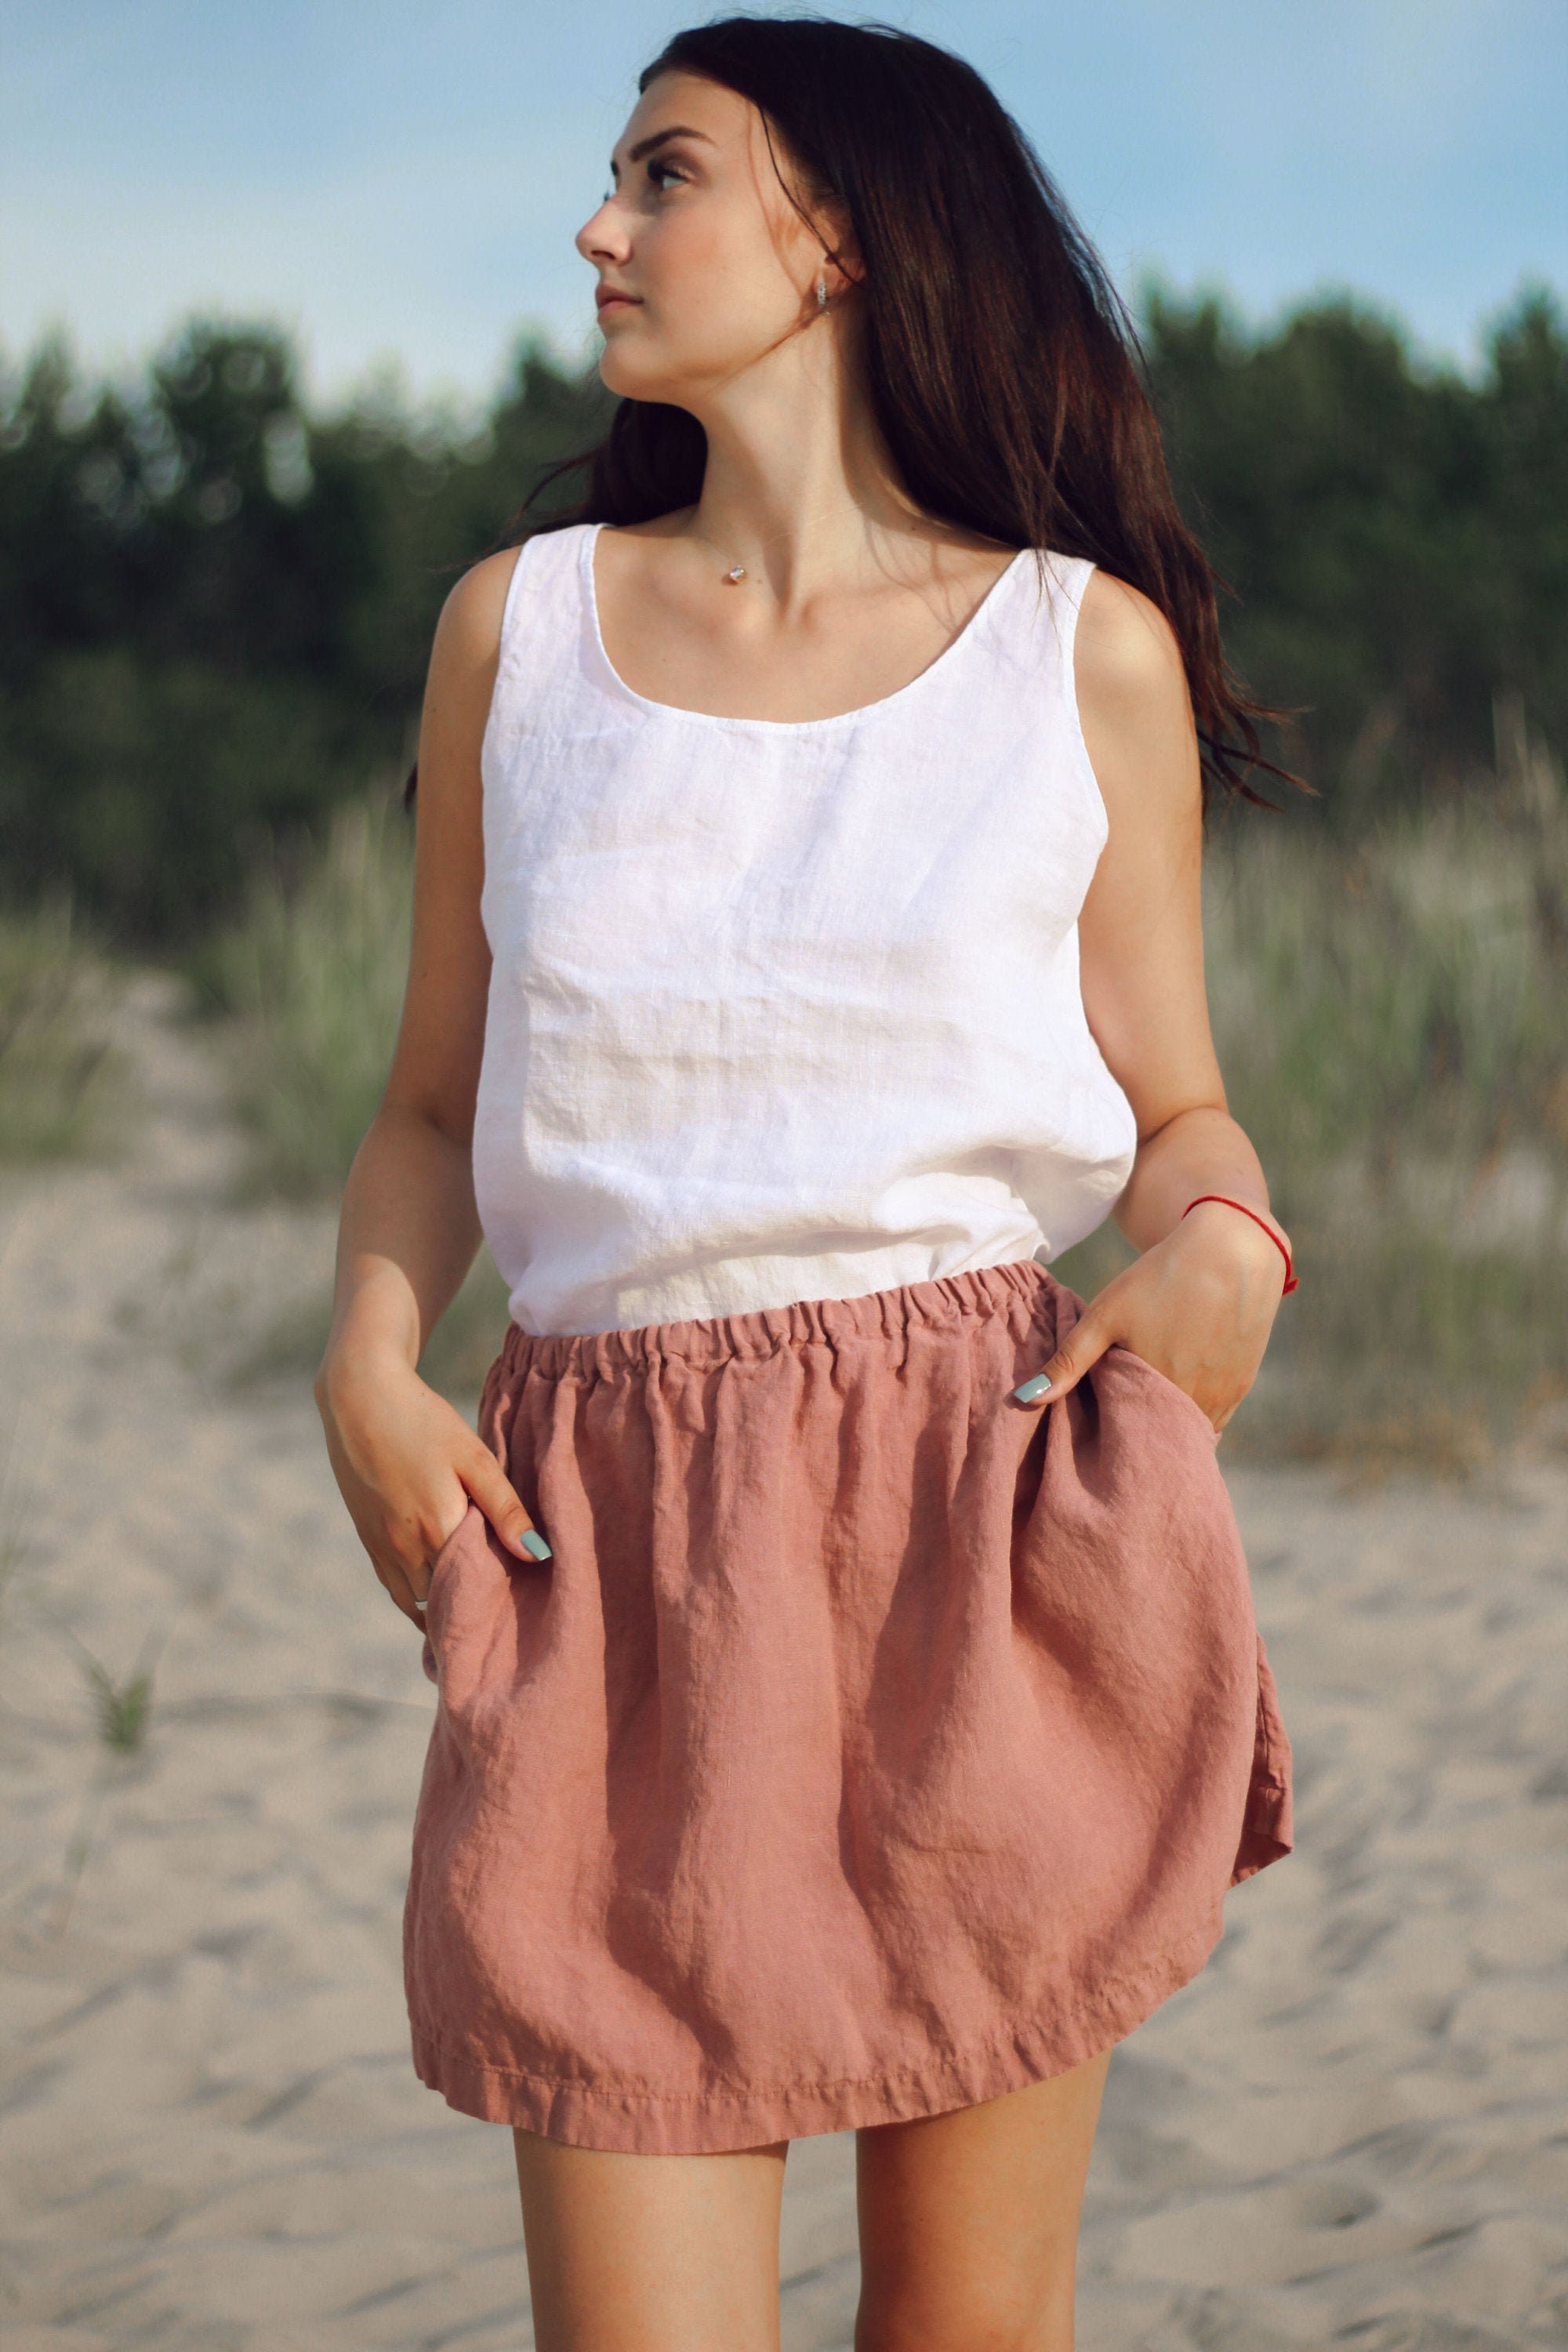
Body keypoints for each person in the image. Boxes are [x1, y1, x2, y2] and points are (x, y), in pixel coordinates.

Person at [314, 17, 1298, 2349]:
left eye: (664, 172)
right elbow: (433, 1108)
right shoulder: (516, 634)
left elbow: (1181, 1108)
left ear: (840, 235)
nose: (598, 226)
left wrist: (1229, 1241)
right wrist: (365, 1360)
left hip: (983, 1520)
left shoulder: (1078, 653)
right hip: (602, 1550)